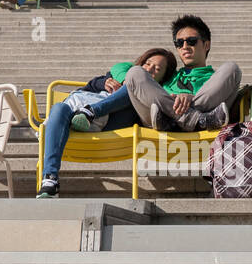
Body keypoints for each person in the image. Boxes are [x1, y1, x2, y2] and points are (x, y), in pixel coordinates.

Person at [36, 47, 177, 198]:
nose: (149, 69)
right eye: (148, 64)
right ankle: (50, 181)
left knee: (131, 87)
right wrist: (104, 82)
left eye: (157, 69)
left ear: (163, 78)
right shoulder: (117, 75)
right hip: (72, 113)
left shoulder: (149, 92)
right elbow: (89, 86)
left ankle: (91, 111)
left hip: (107, 123)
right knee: (58, 107)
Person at [79, 15, 240, 134]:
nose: (185, 46)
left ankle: (192, 119)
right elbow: (123, 68)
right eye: (179, 43)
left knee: (232, 67)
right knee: (135, 72)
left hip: (198, 122)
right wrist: (110, 80)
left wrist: (190, 98)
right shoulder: (168, 75)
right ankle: (195, 120)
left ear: (206, 45)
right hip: (160, 122)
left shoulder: (216, 80)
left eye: (191, 41)